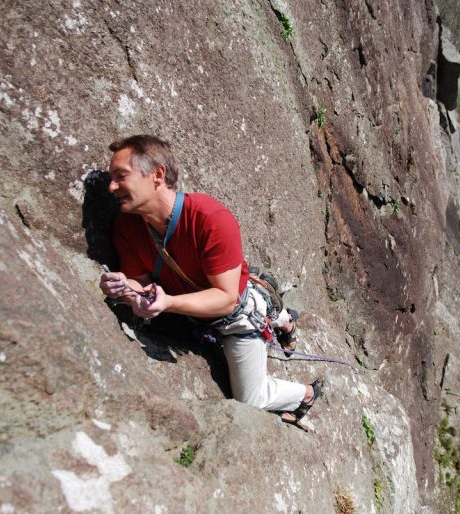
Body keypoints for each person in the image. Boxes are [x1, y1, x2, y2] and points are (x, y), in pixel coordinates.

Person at [98, 134, 320, 426]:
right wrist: (125, 290)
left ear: (157, 175)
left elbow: (227, 298)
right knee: (256, 307)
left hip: (236, 317)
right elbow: (139, 281)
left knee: (251, 399)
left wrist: (168, 303)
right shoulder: (127, 226)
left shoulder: (209, 217)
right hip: (199, 313)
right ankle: (283, 319)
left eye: (121, 176)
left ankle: (305, 393)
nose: (111, 186)